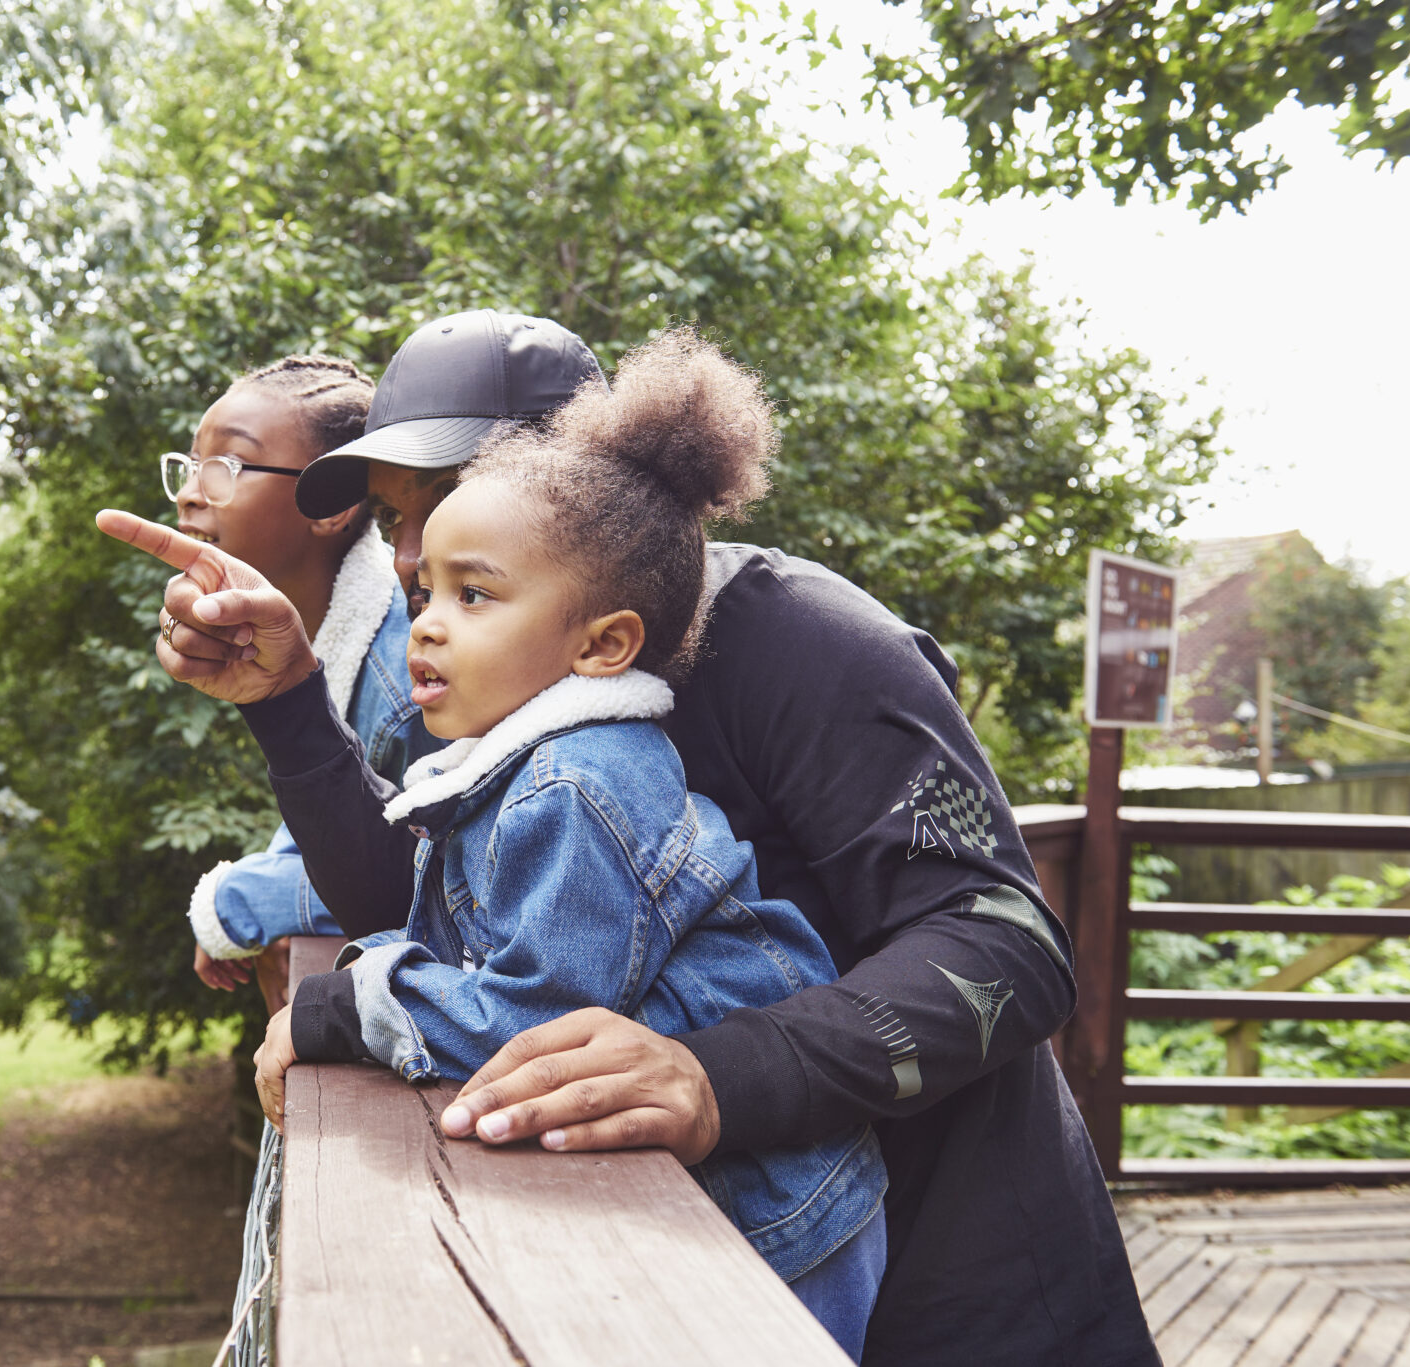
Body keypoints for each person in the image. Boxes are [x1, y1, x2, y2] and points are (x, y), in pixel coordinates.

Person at [95, 308, 1157, 1366]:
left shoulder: (806, 639)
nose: (415, 556)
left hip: (967, 1281)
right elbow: (414, 906)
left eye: (450, 494)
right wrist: (285, 702)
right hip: (712, 1278)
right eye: (392, 519)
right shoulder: (515, 674)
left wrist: (713, 1075)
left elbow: (1005, 947)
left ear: (591, 482)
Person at [251, 330, 889, 1357]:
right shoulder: (518, 747)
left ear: (602, 639)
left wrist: (342, 1002)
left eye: (472, 590)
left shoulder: (577, 779)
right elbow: (449, 919)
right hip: (688, 1194)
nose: (420, 612)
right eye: (420, 582)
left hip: (776, 1217)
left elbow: (536, 1007)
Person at [162, 355, 439, 1003]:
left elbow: (436, 879)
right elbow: (337, 802)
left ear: (333, 505)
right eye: (191, 463)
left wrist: (241, 898)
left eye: (227, 466)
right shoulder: (324, 639)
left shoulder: (409, 680)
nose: (190, 491)